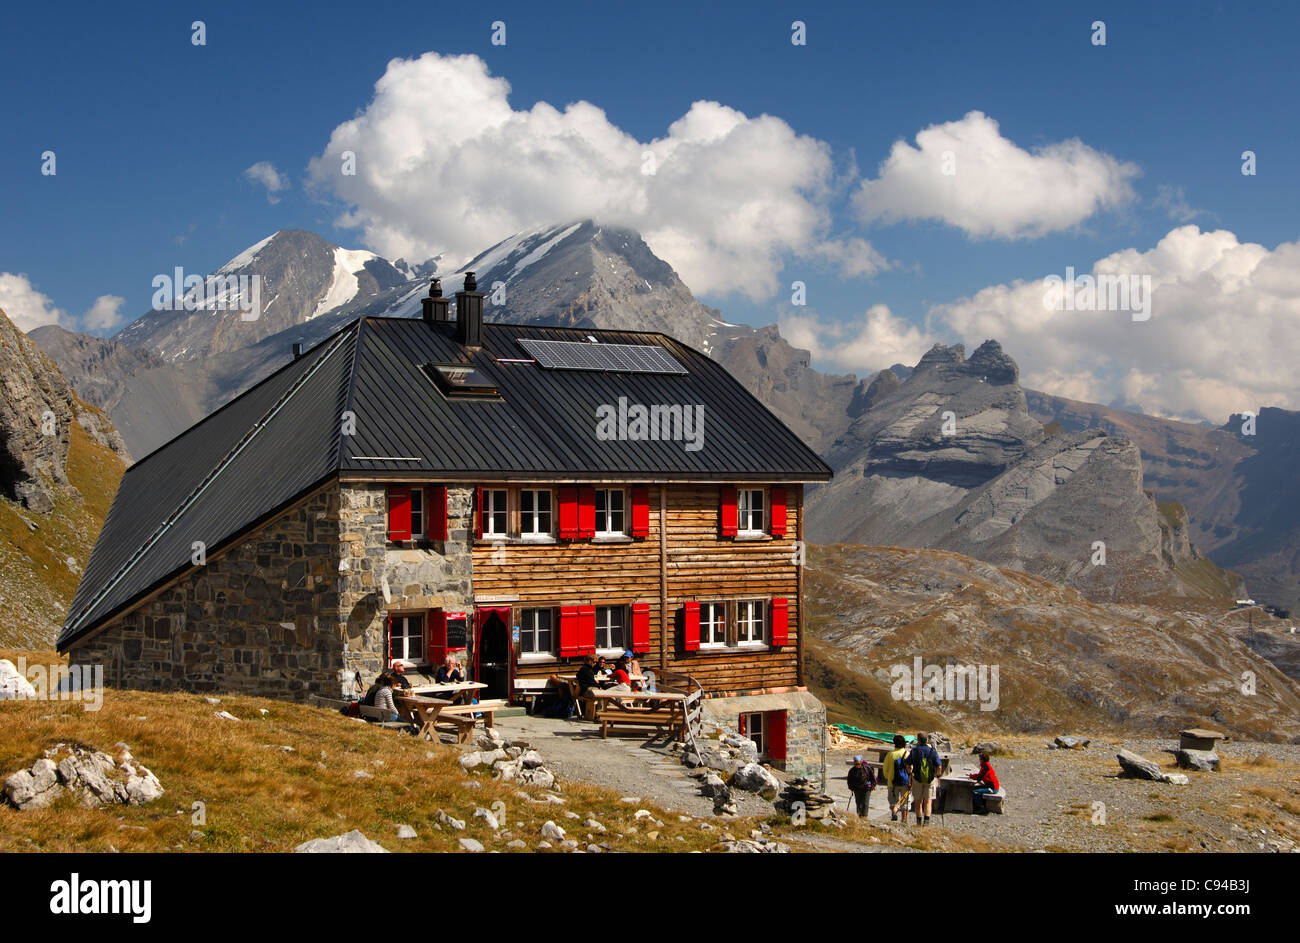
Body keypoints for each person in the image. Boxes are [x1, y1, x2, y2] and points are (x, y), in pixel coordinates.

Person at [907, 732, 942, 826]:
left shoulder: (914, 751)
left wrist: (910, 774)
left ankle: (918, 821)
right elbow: (939, 766)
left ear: (918, 740)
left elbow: (907, 764)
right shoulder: (932, 751)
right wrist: (938, 776)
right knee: (928, 801)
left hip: (917, 779)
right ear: (927, 740)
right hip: (930, 779)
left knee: (918, 801)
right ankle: (926, 822)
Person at [881, 734, 910, 822]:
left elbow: (885, 768)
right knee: (905, 800)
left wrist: (888, 777)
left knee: (893, 800)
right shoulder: (907, 754)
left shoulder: (890, 754)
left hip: (892, 781)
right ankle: (904, 819)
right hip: (905, 781)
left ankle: (894, 811)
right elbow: (911, 768)